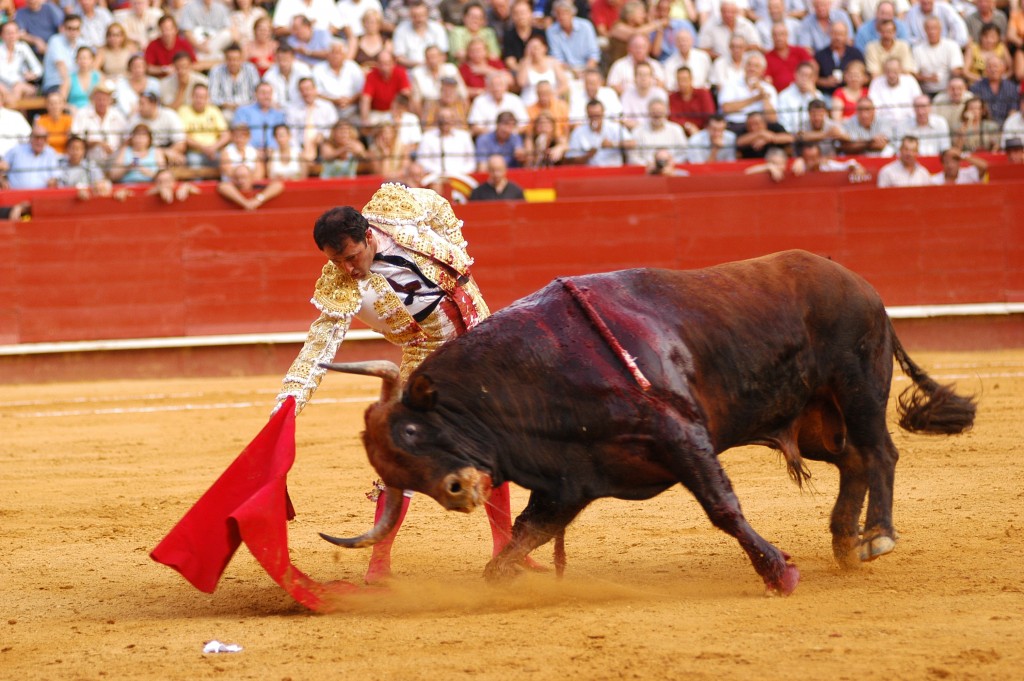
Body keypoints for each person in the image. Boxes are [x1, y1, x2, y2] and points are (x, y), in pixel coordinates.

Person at [276, 186, 543, 585]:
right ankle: (378, 565)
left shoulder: (396, 208)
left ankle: (505, 550)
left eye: (351, 257)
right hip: (428, 360)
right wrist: (287, 403)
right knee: (402, 455)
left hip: (482, 338)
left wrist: (454, 255)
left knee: (496, 447)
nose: (347, 269)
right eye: (336, 261)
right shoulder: (339, 285)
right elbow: (317, 349)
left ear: (368, 236)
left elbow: (438, 205)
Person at [70, 79, 128, 166]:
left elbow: (127, 139)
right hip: (88, 162)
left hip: (114, 161)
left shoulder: (117, 115)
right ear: (93, 99)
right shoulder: (82, 114)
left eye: (105, 99)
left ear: (110, 100)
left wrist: (118, 151)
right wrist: (97, 143)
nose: (102, 102)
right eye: (99, 99)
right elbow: (76, 141)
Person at [718, 52, 778, 134]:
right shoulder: (731, 84)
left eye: (756, 66)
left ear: (763, 71)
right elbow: (726, 108)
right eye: (749, 65)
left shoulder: (768, 89)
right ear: (744, 67)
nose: (752, 68)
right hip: (736, 125)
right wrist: (755, 99)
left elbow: (772, 119)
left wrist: (762, 93)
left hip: (761, 128)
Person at [565, 98, 636, 166]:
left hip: (613, 171)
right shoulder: (578, 132)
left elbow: (632, 143)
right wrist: (587, 156)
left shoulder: (614, 127)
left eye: (597, 115)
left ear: (603, 113)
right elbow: (571, 160)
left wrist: (613, 144)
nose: (595, 118)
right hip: (590, 174)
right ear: (587, 115)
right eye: (591, 116)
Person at [179, 82, 230, 169]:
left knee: (226, 160)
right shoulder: (183, 111)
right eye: (197, 96)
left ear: (208, 99)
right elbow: (183, 136)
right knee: (193, 161)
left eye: (202, 97)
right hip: (194, 151)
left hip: (214, 150)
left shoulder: (214, 110)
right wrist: (204, 148)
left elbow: (226, 135)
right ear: (191, 96)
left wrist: (213, 147)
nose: (199, 100)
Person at [545, 0, 601, 78]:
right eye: (559, 14)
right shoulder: (551, 31)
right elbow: (557, 59)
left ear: (572, 13)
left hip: (587, 68)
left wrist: (586, 71)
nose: (562, 17)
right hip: (566, 71)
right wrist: (573, 71)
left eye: (565, 13)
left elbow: (594, 54)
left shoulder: (586, 26)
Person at [130, 90, 188, 165]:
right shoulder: (135, 119)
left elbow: (181, 143)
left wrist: (168, 153)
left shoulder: (169, 115)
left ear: (153, 104)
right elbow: (128, 143)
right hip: (143, 156)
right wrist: (160, 153)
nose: (139, 107)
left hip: (167, 153)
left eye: (142, 104)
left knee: (181, 160)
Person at [416, 105, 476, 176]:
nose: (445, 121)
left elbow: (471, 162)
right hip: (434, 177)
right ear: (437, 119)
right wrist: (440, 173)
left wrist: (456, 173)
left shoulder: (464, 136)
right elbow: (422, 161)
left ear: (454, 120)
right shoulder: (427, 137)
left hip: (461, 178)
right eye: (442, 118)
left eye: (449, 118)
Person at [912, 16, 964, 98]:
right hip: (926, 92)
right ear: (924, 30)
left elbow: (957, 69)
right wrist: (927, 78)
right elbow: (914, 74)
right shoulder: (917, 49)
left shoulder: (952, 46)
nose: (932, 31)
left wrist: (954, 73)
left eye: (935, 28)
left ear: (941, 29)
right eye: (929, 28)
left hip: (948, 91)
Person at [313, 39, 365, 120]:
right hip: (327, 113)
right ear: (327, 54)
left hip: (352, 111)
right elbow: (315, 93)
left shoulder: (353, 67)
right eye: (332, 53)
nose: (335, 56)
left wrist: (350, 100)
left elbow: (362, 89)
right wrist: (334, 101)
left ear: (344, 55)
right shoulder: (318, 69)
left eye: (338, 53)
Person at [359, 49, 412, 129]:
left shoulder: (400, 72)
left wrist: (397, 113)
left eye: (387, 63)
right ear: (377, 63)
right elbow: (366, 99)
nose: (384, 67)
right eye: (381, 63)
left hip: (395, 111)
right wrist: (365, 119)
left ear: (393, 63)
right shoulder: (371, 75)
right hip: (377, 113)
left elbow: (405, 96)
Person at [867, 56, 922, 133]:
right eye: (888, 71)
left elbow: (919, 103)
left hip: (909, 123)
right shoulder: (876, 82)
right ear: (883, 71)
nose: (891, 75)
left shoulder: (910, 81)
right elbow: (873, 107)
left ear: (900, 70)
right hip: (883, 125)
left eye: (895, 71)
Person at [467, 71, 529, 136]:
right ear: (488, 87)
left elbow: (524, 124)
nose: (496, 88)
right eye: (493, 85)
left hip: (511, 136)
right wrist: (497, 134)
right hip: (489, 137)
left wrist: (509, 133)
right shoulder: (480, 101)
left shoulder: (515, 100)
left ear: (506, 87)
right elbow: (475, 127)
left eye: (500, 85)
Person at [392, 0, 449, 70]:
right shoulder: (401, 30)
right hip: (411, 71)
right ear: (410, 16)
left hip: (436, 69)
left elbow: (443, 55)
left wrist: (431, 65)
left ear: (427, 14)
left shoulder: (438, 28)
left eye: (421, 16)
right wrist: (421, 65)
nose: (418, 19)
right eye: (415, 16)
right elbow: (399, 58)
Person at [515, 35, 569, 106]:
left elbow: (564, 84)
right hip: (530, 103)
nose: (534, 51)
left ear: (544, 48)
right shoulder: (524, 63)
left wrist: (552, 94)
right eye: (531, 48)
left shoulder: (553, 62)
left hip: (551, 102)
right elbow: (521, 83)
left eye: (536, 48)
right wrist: (527, 59)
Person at [2, 124, 61, 189]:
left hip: (41, 196)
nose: (40, 141)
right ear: (30, 138)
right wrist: (2, 180)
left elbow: (56, 176)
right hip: (16, 195)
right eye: (37, 137)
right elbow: (2, 166)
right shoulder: (17, 150)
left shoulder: (50, 153)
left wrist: (54, 181)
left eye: (43, 138)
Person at [631, 97, 687, 165]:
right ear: (648, 112)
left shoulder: (676, 130)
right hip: (646, 171)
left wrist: (670, 163)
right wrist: (648, 164)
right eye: (653, 110)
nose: (657, 114)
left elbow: (684, 153)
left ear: (666, 112)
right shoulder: (638, 131)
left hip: (672, 170)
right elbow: (633, 157)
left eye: (660, 111)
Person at [814, 21, 864, 98]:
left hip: (852, 95)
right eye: (835, 34)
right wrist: (825, 82)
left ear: (846, 35)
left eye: (841, 34)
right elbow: (813, 78)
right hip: (827, 95)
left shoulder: (855, 54)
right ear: (829, 34)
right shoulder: (820, 55)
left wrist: (852, 78)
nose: (838, 38)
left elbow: (867, 77)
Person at [968, 54, 1019, 127]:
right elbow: (974, 109)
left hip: (1006, 126)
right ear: (985, 70)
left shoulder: (1011, 87)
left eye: (996, 66)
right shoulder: (976, 87)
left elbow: (1013, 110)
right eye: (990, 67)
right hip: (983, 127)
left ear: (1003, 68)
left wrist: (1007, 126)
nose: (993, 70)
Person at [0, 20, 43, 104]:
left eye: (14, 32)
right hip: (3, 87)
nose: (12, 36)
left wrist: (32, 74)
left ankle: (11, 111)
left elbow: (38, 69)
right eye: (8, 33)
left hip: (22, 85)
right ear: (2, 35)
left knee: (18, 88)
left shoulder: (23, 48)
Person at [620, 61, 669, 130]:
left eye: (646, 75)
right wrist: (643, 129)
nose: (643, 78)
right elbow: (625, 120)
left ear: (652, 78)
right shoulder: (627, 94)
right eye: (640, 75)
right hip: (634, 132)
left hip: (657, 131)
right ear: (634, 77)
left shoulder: (660, 94)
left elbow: (663, 119)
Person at [764, 22, 813, 92]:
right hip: (781, 96)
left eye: (782, 34)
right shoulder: (767, 57)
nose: (779, 38)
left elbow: (813, 67)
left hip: (803, 91)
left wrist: (811, 83)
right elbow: (767, 80)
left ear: (787, 35)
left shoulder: (799, 51)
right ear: (771, 37)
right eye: (775, 35)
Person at [217, 162, 283, 210]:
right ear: (233, 179)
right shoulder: (232, 187)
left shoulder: (258, 187)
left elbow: (278, 185)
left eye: (244, 177)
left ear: (251, 178)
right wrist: (245, 203)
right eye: (237, 178)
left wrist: (258, 200)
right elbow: (222, 186)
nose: (240, 181)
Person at [35, 90, 73, 154]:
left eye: (57, 103)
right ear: (46, 105)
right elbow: (41, 142)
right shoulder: (41, 120)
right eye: (51, 103)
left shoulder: (69, 119)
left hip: (65, 154)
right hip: (46, 154)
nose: (55, 106)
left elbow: (69, 141)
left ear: (63, 105)